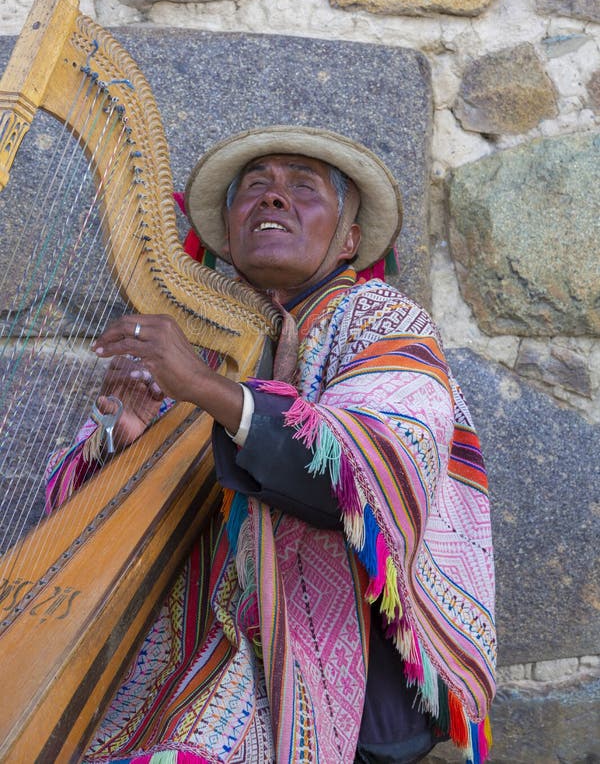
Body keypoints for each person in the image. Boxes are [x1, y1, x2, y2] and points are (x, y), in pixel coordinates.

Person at [46, 126, 496, 764]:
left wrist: (203, 388)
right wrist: (121, 441)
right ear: (228, 238)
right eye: (255, 188)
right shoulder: (189, 342)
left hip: (351, 675)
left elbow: (366, 473)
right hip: (193, 650)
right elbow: (69, 523)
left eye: (303, 189)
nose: (274, 199)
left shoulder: (383, 321)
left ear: (348, 240)